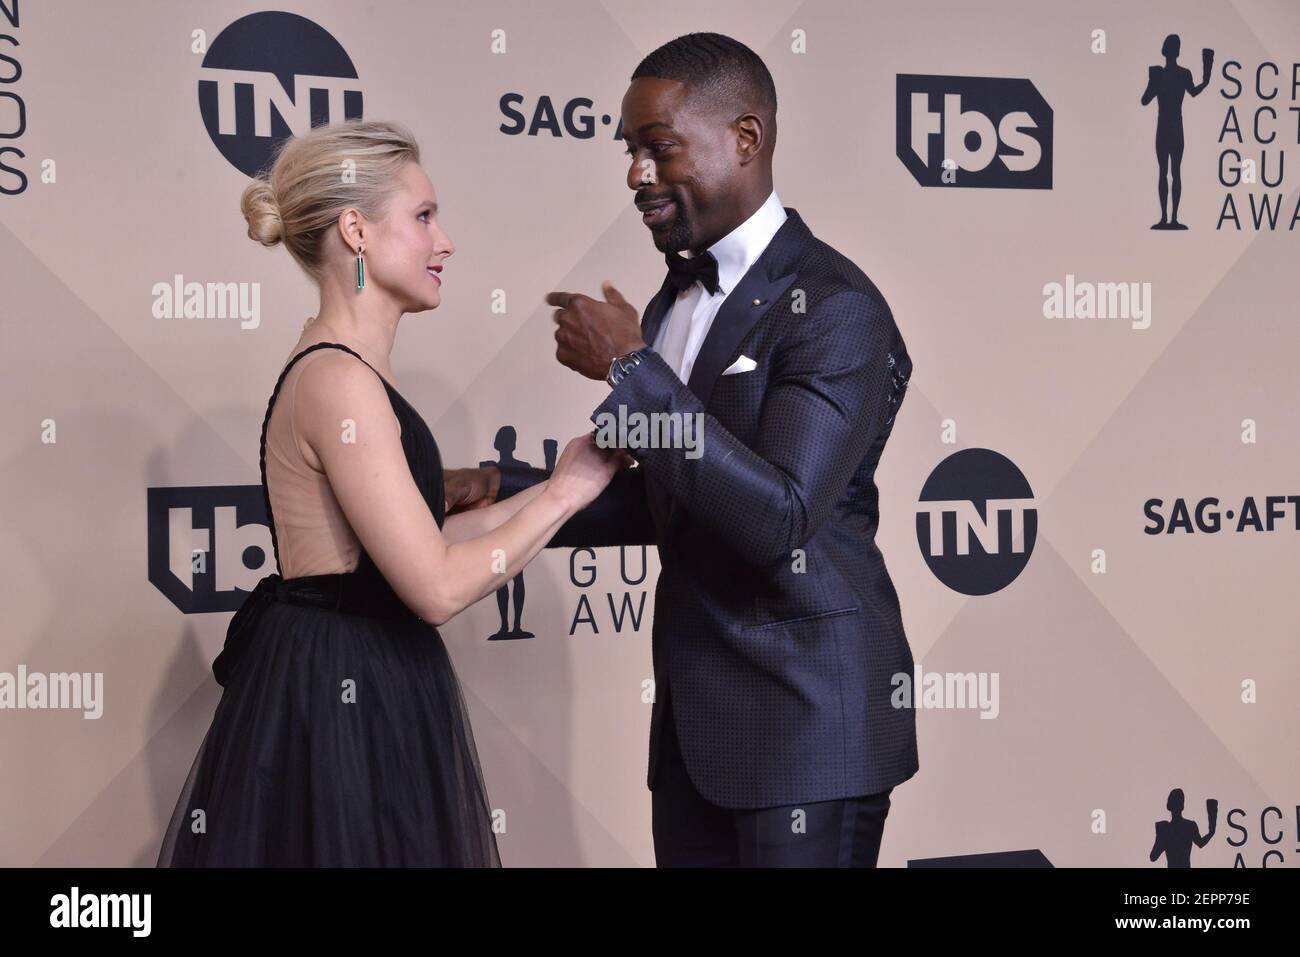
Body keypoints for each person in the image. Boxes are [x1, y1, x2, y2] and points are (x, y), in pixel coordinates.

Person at [448, 33, 918, 867]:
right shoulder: (673, 300)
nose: (636, 174)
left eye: (658, 148)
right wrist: (501, 489)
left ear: (745, 139)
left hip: (806, 729)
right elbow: (674, 499)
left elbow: (778, 516)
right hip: (696, 736)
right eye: (630, 151)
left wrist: (632, 366)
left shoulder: (838, 307)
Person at [157, 120, 627, 866]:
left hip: (363, 678)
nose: (445, 242)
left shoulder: (352, 372)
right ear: (356, 231)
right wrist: (563, 494)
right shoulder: (340, 381)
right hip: (340, 694)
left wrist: (579, 474)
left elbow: (429, 541)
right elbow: (436, 586)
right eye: (424, 217)